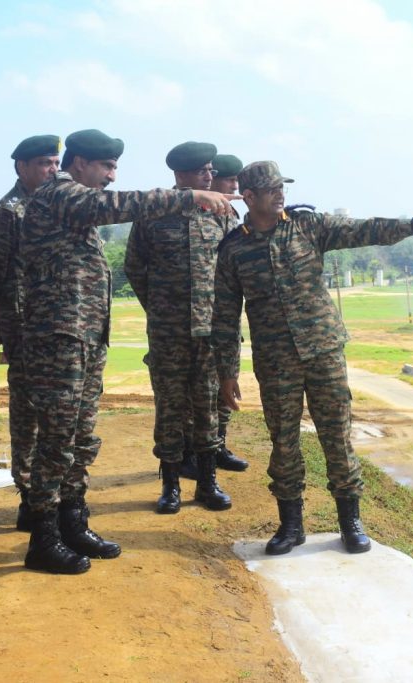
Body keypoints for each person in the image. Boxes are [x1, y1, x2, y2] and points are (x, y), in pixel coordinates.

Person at [20, 128, 238, 574]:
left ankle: (72, 521)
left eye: (115, 167)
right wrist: (186, 196)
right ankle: (43, 538)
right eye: (106, 166)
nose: (112, 176)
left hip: (83, 336)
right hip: (60, 338)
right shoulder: (58, 194)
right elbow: (115, 209)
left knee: (81, 437)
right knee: (57, 440)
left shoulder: (73, 202)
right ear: (78, 163)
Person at [211, 161, 413, 556]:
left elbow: (364, 229)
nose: (281, 193)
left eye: (282, 186)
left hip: (323, 350)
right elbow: (223, 315)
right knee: (284, 442)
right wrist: (227, 371)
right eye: (271, 188)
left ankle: (350, 522)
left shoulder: (309, 227)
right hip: (276, 361)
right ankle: (291, 525)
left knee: (337, 436)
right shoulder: (234, 249)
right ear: (250, 196)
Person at [124, 141, 234, 515]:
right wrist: (158, 308)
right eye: (203, 171)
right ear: (182, 174)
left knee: (207, 407)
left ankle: (206, 482)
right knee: (169, 408)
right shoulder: (154, 213)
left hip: (209, 332)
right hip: (167, 332)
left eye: (211, 170)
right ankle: (169, 485)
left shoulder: (221, 213)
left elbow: (231, 270)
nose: (210, 176)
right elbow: (135, 268)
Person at [0, 135, 61, 532]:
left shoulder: (58, 205)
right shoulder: (8, 212)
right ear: (21, 168)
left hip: (56, 321)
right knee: (27, 411)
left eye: (55, 162)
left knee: (56, 410)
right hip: (24, 324)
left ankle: (52, 490)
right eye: (44, 162)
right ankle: (28, 493)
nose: (52, 170)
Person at [207, 153, 249, 472]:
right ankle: (190, 453)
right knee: (191, 392)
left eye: (236, 180)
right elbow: (136, 267)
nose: (234, 186)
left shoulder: (232, 216)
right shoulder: (184, 213)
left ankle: (219, 445)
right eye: (228, 180)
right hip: (189, 318)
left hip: (225, 317)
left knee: (225, 382)